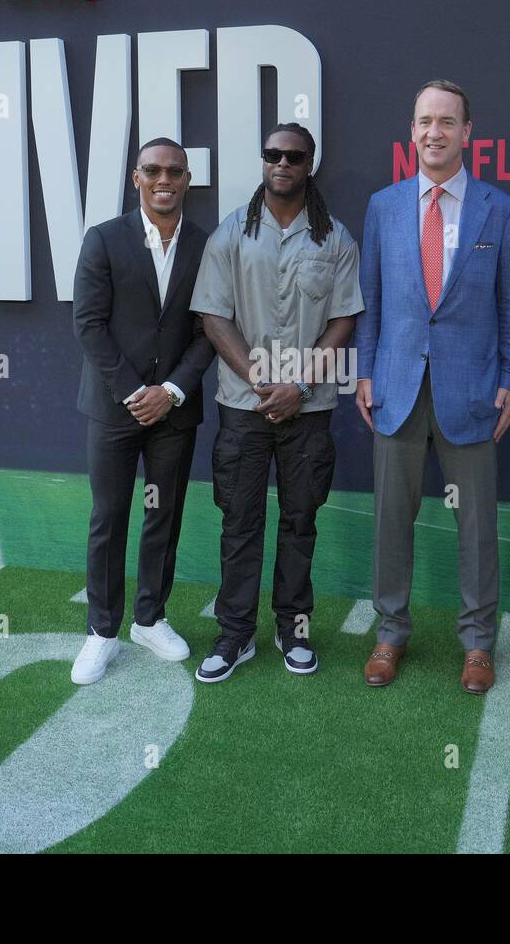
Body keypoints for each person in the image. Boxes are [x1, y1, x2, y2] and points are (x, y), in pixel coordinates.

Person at [355, 79, 510, 694]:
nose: (435, 132)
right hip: (397, 388)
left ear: (467, 132)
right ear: (412, 130)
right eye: (425, 120)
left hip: (473, 390)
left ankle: (479, 644)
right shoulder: (384, 205)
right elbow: (370, 302)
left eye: (447, 122)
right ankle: (390, 632)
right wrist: (366, 371)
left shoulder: (498, 210)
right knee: (391, 520)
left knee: (476, 526)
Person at [189, 123, 363, 682]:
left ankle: (295, 630)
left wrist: (300, 386)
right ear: (262, 161)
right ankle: (234, 635)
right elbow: (213, 317)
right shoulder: (229, 235)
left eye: (294, 156)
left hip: (308, 410)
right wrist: (265, 381)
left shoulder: (335, 238)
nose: (282, 163)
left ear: (310, 164)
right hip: (245, 407)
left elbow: (343, 320)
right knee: (240, 522)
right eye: (273, 154)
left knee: (299, 521)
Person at [70, 138, 215, 684]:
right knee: (109, 518)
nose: (164, 179)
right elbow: (88, 323)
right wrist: (137, 391)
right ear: (136, 178)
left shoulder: (207, 245)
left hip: (174, 412)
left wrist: (171, 390)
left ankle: (149, 618)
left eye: (174, 171)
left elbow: (211, 330)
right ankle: (102, 630)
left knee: (164, 516)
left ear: (187, 178)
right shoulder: (104, 240)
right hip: (114, 409)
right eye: (153, 170)